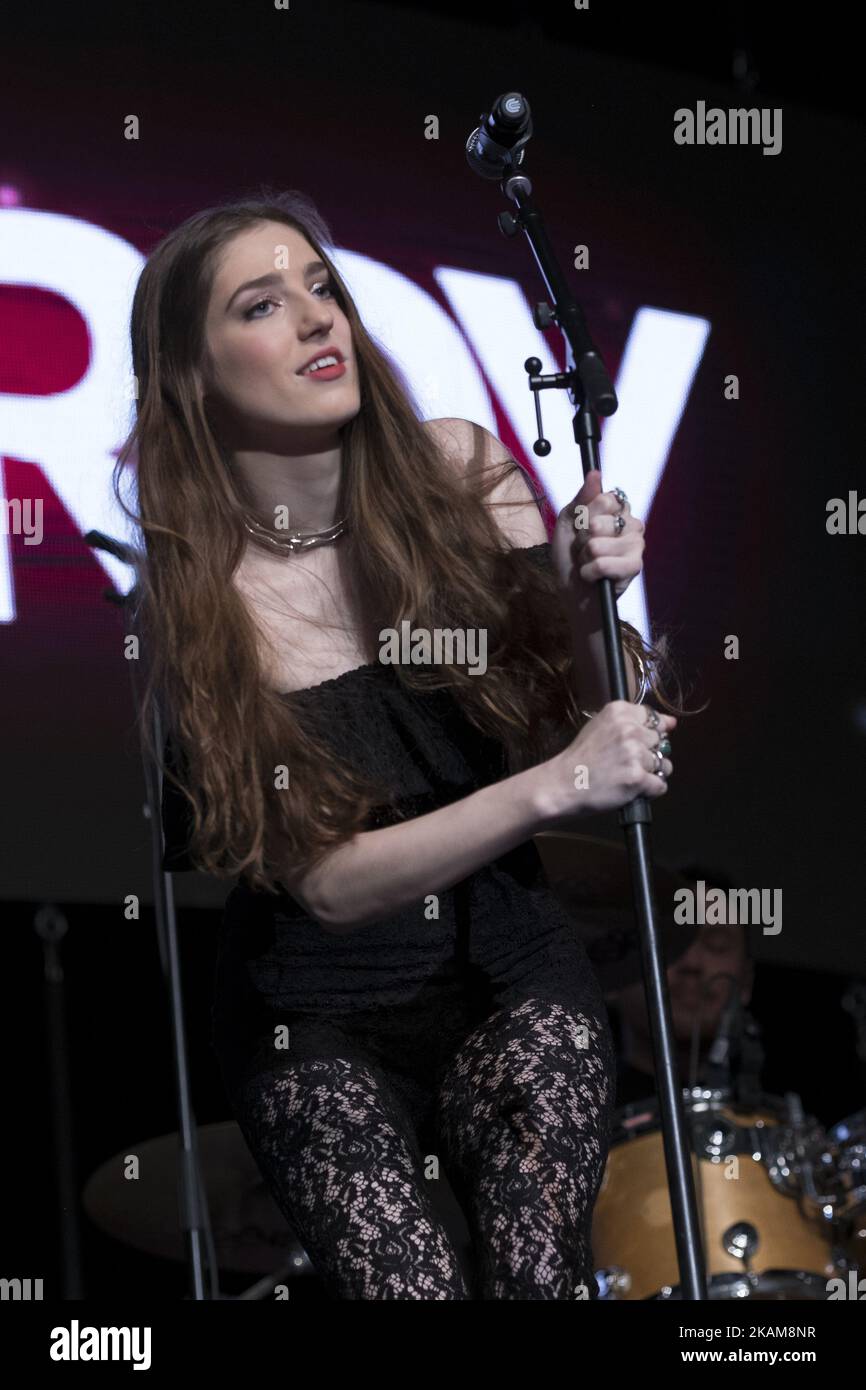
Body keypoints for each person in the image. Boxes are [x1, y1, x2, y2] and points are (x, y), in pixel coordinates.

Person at [114, 187, 687, 1300]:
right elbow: (326, 887)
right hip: (315, 1011)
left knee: (541, 1279)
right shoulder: (192, 612)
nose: (318, 319)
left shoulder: (458, 472)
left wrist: (576, 599)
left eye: (322, 288)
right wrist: (554, 785)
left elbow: (564, 705)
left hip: (506, 960)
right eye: (261, 305)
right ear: (189, 372)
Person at [610, 866, 755, 1107]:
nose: (692, 962)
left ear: (747, 980)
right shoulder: (572, 1109)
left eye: (716, 944)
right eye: (668, 940)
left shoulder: (770, 1123)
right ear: (612, 971)